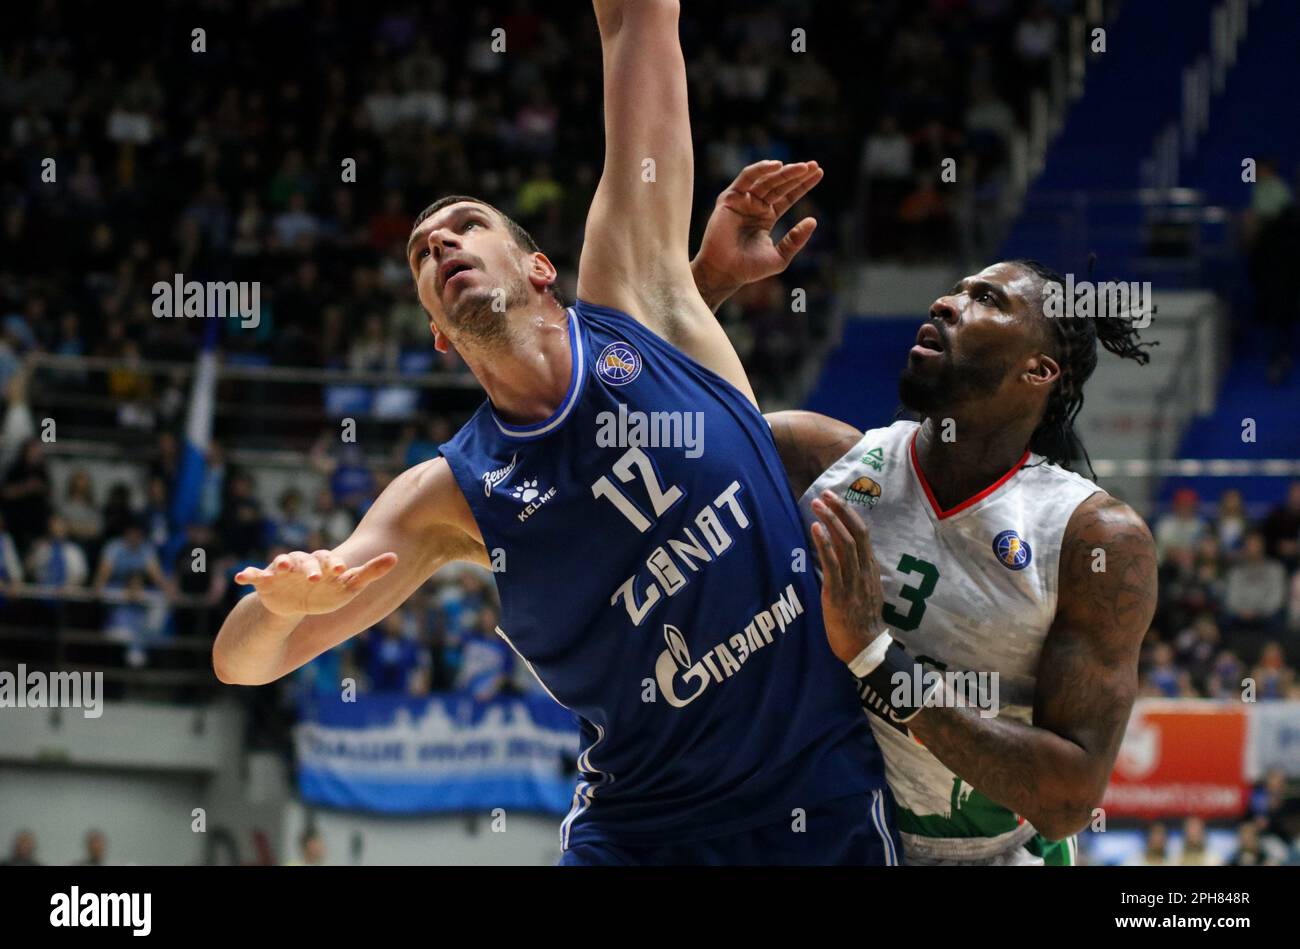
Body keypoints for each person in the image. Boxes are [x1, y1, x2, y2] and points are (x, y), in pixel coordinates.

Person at [215, 1, 894, 866]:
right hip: (641, 834)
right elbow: (243, 663)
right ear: (437, 332)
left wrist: (703, 283)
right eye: (422, 253)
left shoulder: (640, 298)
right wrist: (281, 609)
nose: (437, 242)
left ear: (539, 267)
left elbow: (638, 24)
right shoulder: (449, 493)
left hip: (817, 798)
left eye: (464, 226)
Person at [770, 258, 1157, 864]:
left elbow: (1068, 800)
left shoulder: (1092, 540)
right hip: (812, 836)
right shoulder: (814, 458)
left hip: (980, 854)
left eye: (987, 299)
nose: (943, 305)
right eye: (951, 291)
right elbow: (667, 434)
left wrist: (874, 658)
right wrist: (710, 283)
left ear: (1039, 369)